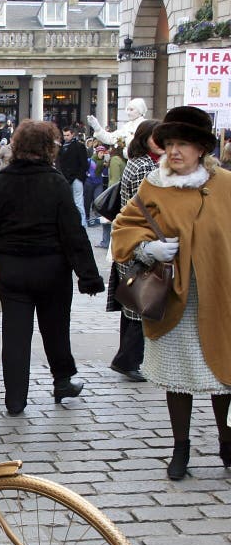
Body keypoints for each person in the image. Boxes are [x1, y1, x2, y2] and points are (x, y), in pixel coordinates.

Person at [112, 106, 231, 481]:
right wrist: (147, 249)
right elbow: (124, 226)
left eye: (183, 144)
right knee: (180, 377)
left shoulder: (225, 185)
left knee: (223, 375)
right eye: (168, 144)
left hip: (220, 295)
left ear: (200, 149)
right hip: (174, 297)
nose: (174, 152)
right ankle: (180, 449)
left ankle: (227, 444)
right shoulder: (153, 185)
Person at [0, 119, 105, 415]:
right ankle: (62, 383)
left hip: (12, 269)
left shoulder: (1, 181)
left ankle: (15, 399)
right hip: (52, 269)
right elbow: (74, 233)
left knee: (15, 334)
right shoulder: (56, 182)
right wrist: (88, 276)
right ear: (49, 148)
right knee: (56, 329)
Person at [107, 119, 163, 384]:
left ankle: (129, 358)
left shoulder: (140, 162)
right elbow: (147, 206)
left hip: (132, 238)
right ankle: (128, 359)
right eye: (157, 137)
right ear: (146, 138)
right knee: (142, 300)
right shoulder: (144, 166)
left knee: (134, 301)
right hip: (139, 240)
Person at [57, 125, 89, 228]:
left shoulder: (79, 146)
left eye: (67, 135)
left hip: (75, 178)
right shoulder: (61, 147)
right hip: (65, 177)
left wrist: (79, 177)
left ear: (72, 134)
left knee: (78, 202)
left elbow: (84, 164)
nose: (66, 137)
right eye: (64, 135)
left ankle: (82, 223)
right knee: (66, 201)